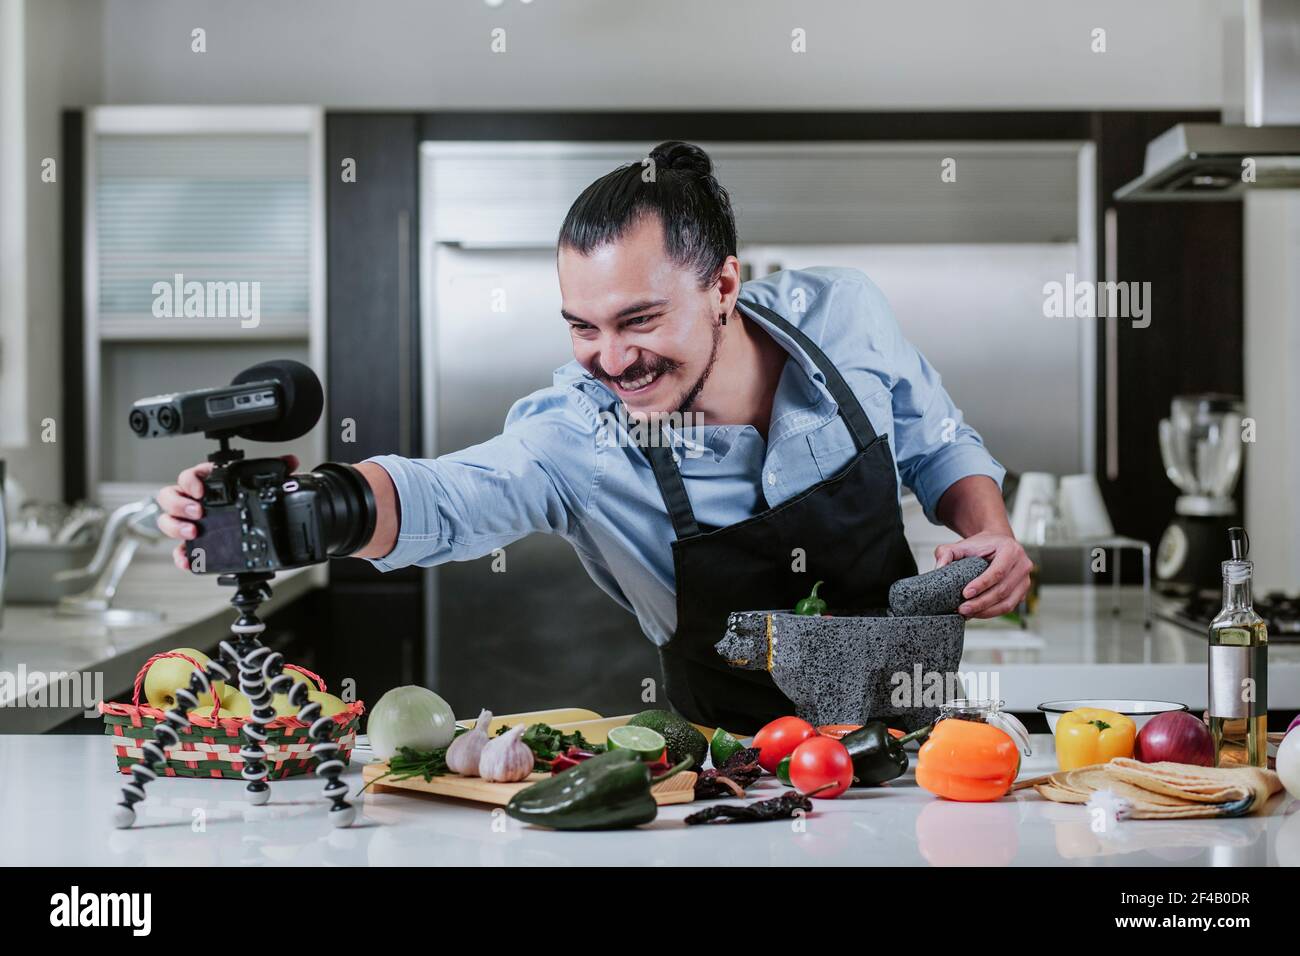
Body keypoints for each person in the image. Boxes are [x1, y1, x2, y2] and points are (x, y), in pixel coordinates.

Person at [157, 140, 1031, 732]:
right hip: (734, 786)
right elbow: (446, 495)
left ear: (723, 283)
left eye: (639, 320)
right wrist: (306, 509)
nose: (612, 359)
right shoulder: (576, 436)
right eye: (583, 326)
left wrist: (986, 528)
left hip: (922, 748)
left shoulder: (842, 313)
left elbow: (935, 435)